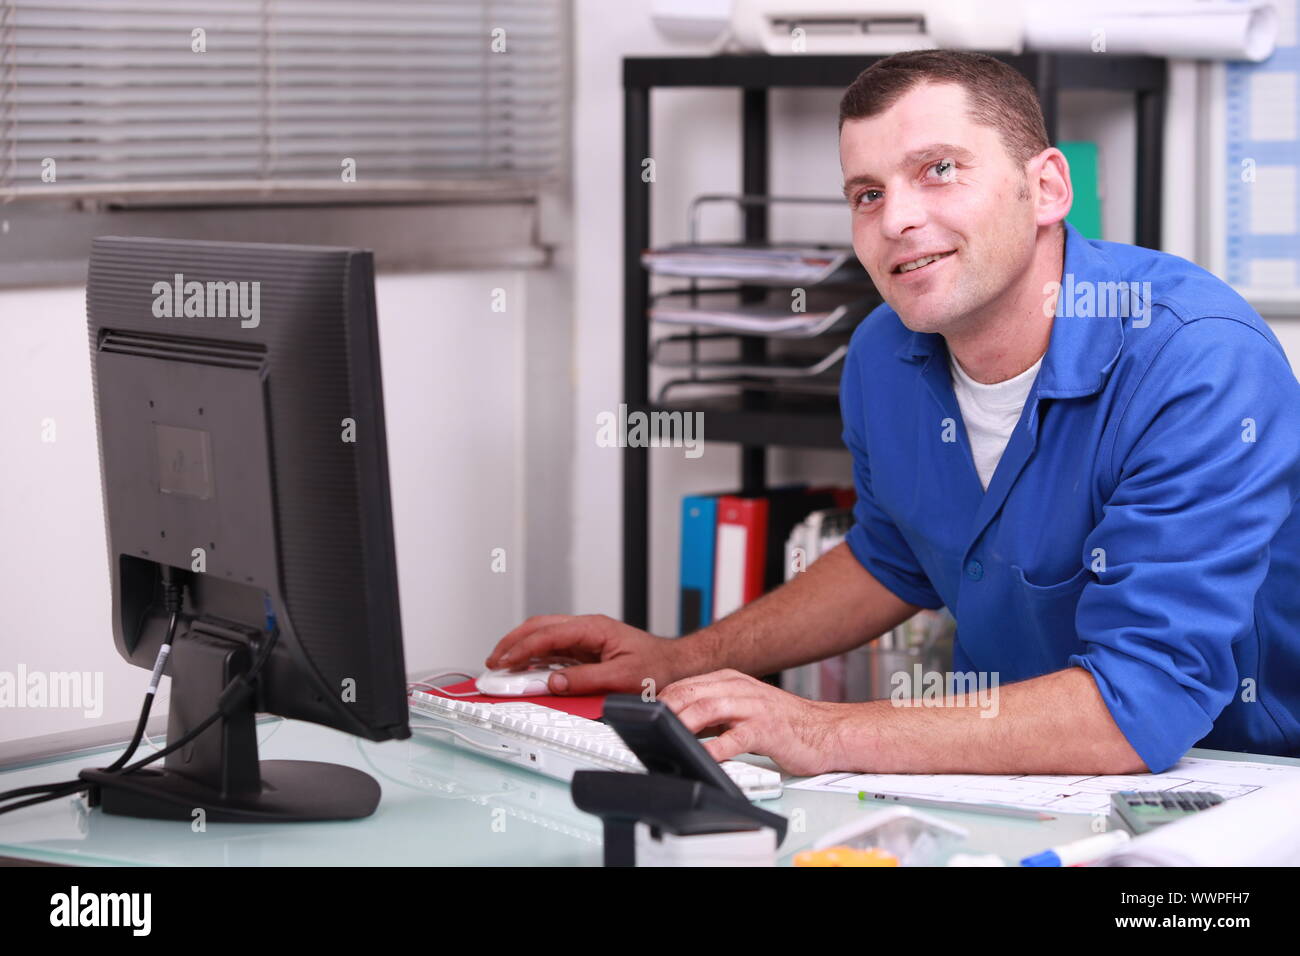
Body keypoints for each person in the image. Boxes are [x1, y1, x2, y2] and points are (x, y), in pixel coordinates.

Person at [487, 50, 1300, 777]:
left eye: (939, 169)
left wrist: (821, 731)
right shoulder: (886, 349)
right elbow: (892, 557)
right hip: (1017, 782)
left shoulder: (1198, 361)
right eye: (867, 193)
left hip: (1233, 785)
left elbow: (1140, 703)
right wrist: (680, 657)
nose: (897, 220)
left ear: (1046, 187)